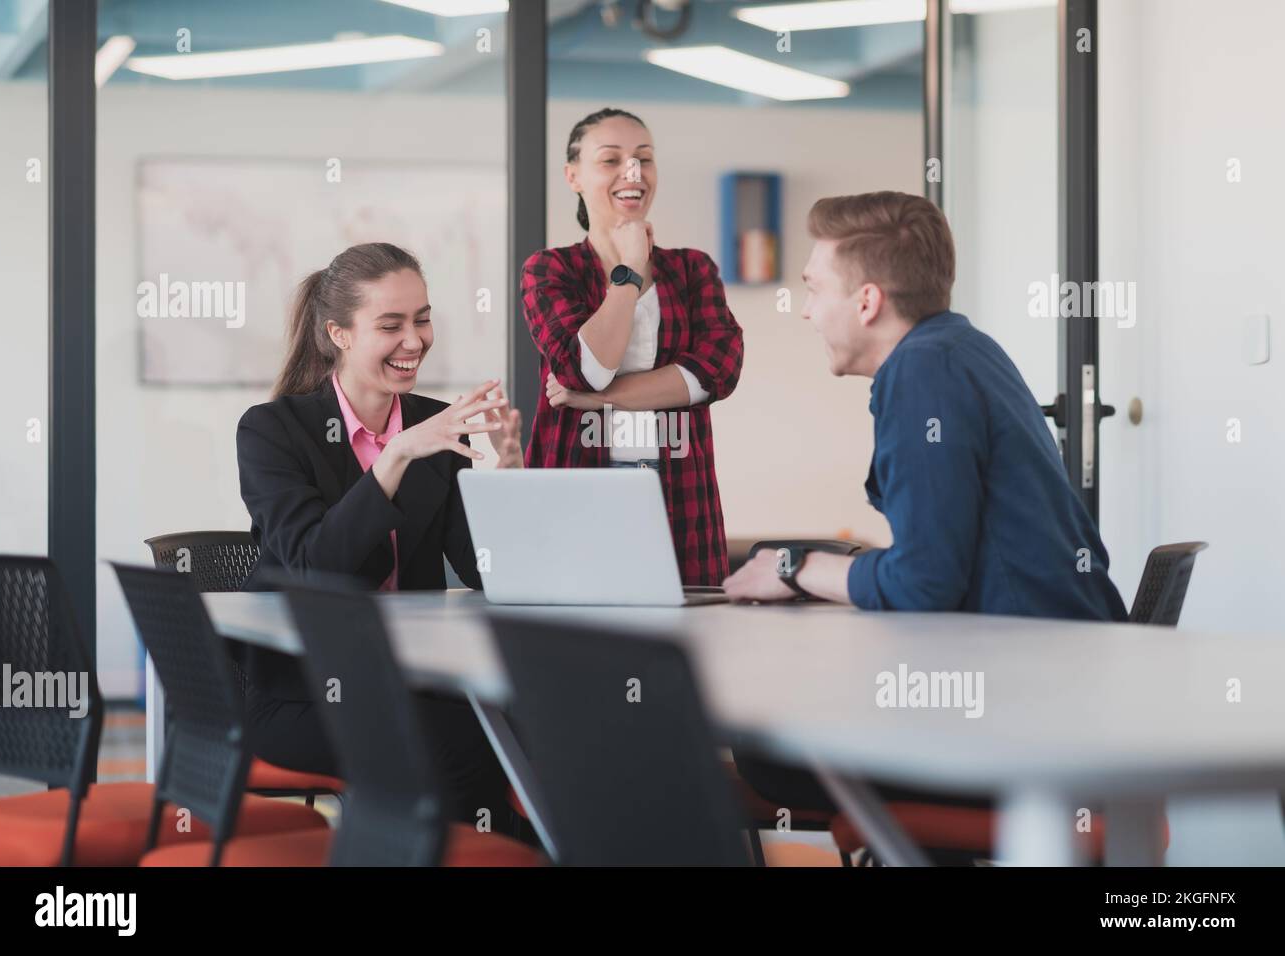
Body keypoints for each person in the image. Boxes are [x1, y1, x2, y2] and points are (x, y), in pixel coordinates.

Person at [723, 192, 1128, 843]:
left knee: (767, 757)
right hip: (1064, 700)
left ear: (867, 301)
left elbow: (925, 582)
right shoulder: (961, 349)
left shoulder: (922, 372)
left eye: (813, 288)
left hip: (1024, 723)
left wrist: (799, 568)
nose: (803, 309)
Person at [236, 241, 522, 826]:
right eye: (391, 324)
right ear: (339, 334)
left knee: (528, 724)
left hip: (412, 675)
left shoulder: (433, 427)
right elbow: (316, 564)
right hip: (304, 692)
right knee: (460, 743)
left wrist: (510, 474)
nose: (414, 340)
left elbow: (484, 568)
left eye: (422, 319)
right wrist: (395, 457)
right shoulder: (273, 430)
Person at [521, 107, 745, 586]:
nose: (633, 173)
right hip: (574, 499)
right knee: (572, 646)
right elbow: (584, 369)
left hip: (682, 501)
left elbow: (715, 373)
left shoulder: (692, 270)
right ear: (573, 176)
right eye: (611, 160)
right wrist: (630, 270)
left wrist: (597, 399)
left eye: (644, 158)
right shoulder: (548, 270)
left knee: (690, 645)